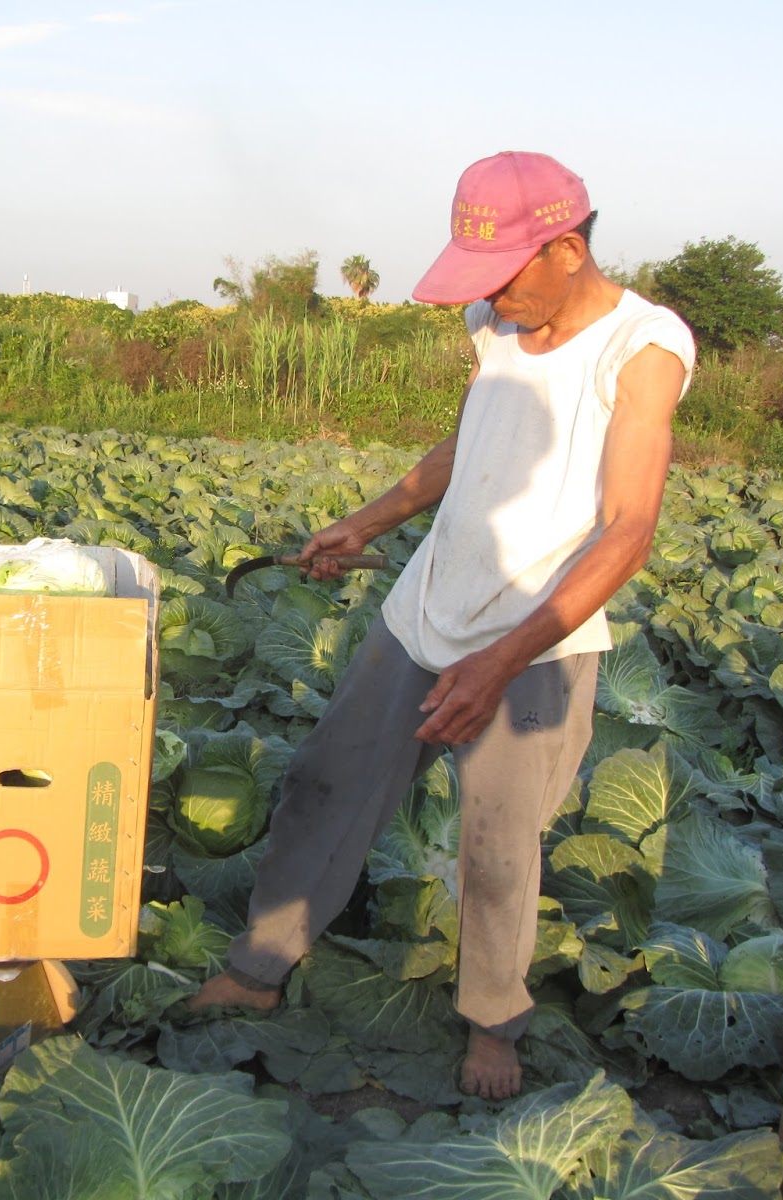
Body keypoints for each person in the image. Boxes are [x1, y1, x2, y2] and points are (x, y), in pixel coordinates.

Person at [187, 150, 696, 1100]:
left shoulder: (644, 348)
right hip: (424, 613)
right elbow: (469, 444)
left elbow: (627, 532)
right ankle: (258, 970)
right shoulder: (498, 323)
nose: (492, 303)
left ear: (569, 250)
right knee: (325, 784)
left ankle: (493, 1020)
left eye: (503, 280)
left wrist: (500, 662)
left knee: (500, 847)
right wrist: (367, 521)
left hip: (535, 646)